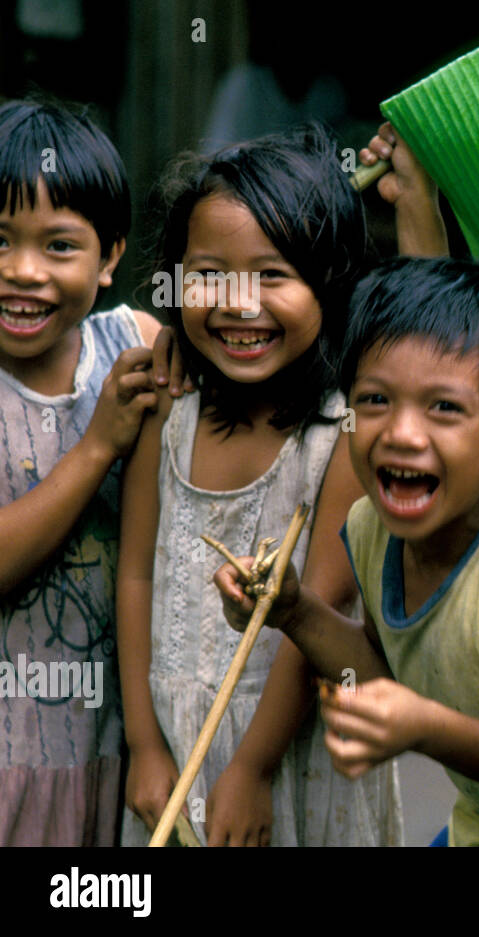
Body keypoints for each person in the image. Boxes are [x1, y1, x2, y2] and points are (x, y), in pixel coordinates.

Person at [215, 255, 479, 847]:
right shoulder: (371, 528)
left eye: (445, 408)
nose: (402, 433)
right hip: (477, 827)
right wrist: (294, 611)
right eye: (375, 400)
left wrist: (425, 728)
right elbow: (380, 671)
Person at [118, 125, 400, 846]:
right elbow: (136, 574)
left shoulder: (340, 438)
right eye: (211, 274)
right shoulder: (168, 412)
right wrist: (147, 744)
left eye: (274, 276)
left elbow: (317, 619)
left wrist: (252, 767)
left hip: (289, 759)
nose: (240, 304)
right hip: (174, 747)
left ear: (331, 283)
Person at [0, 97, 161, 845]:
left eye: (58, 245)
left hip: (110, 758)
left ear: (111, 258)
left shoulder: (133, 345)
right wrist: (97, 447)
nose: (22, 272)